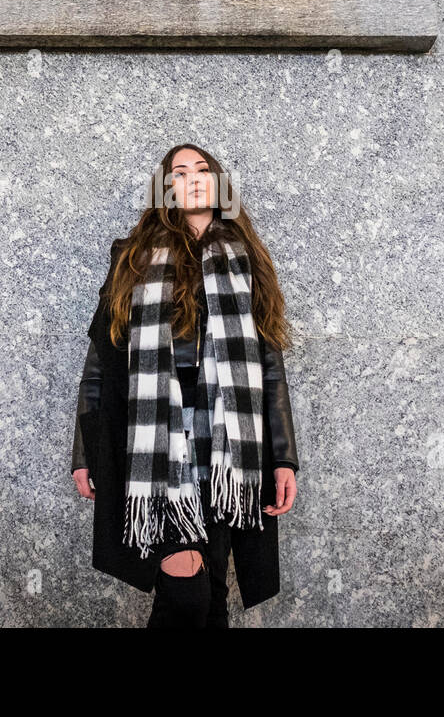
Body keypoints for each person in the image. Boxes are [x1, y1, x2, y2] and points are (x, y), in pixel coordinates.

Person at [71, 142, 300, 627]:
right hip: (155, 443)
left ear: (219, 184)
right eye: (179, 171)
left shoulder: (247, 260)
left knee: (213, 593)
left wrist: (282, 458)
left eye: (203, 169)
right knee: (186, 591)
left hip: (227, 446)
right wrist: (85, 451)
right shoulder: (132, 259)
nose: (192, 176)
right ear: (166, 189)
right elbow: (100, 361)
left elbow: (269, 363)